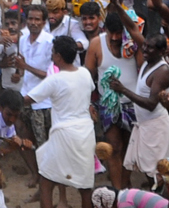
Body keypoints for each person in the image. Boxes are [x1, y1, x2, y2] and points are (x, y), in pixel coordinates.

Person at [27, 36, 96, 208]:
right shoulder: (85, 73)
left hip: (64, 135)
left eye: (53, 52)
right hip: (86, 134)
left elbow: (26, 99)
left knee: (46, 181)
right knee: (85, 186)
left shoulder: (55, 80)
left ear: (58, 56)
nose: (51, 55)